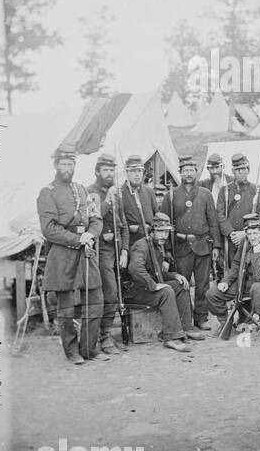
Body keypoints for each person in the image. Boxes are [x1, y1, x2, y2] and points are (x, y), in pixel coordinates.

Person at [37, 148, 103, 365]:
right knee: (65, 307)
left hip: (86, 253)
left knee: (95, 301)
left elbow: (96, 219)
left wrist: (89, 235)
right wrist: (77, 239)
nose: (67, 169)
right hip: (63, 254)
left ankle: (89, 348)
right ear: (56, 165)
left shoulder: (82, 190)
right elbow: (49, 229)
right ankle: (71, 350)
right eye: (63, 165)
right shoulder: (48, 192)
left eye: (70, 165)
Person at [123, 212, 206, 353]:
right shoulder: (142, 245)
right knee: (166, 292)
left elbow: (157, 273)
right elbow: (135, 268)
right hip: (136, 291)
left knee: (181, 285)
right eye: (160, 232)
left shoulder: (156, 246)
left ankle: (186, 328)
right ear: (152, 231)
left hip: (147, 288)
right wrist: (154, 285)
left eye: (166, 232)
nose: (163, 236)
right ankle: (171, 337)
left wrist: (176, 275)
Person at [208, 213, 260, 344]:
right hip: (244, 283)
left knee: (257, 287)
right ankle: (226, 324)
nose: (252, 237)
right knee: (213, 293)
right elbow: (236, 264)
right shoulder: (245, 243)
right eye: (249, 233)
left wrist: (257, 253)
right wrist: (225, 281)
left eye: (255, 233)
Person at [169, 154, 220, 331]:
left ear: (197, 172)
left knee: (203, 284)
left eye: (192, 170)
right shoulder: (172, 195)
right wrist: (169, 248)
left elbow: (213, 221)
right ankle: (185, 320)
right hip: (181, 247)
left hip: (203, 245)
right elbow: (167, 224)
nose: (189, 173)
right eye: (185, 170)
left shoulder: (205, 194)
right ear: (180, 173)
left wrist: (217, 246)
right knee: (182, 285)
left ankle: (201, 317)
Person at [86, 152, 122, 354]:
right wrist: (108, 199)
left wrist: (124, 249)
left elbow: (122, 222)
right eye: (105, 170)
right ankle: (104, 337)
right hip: (98, 251)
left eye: (111, 170)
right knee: (108, 293)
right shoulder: (91, 192)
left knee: (117, 292)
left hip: (115, 250)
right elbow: (95, 217)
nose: (109, 174)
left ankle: (110, 334)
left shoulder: (117, 192)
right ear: (97, 172)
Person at [217, 153, 260, 279]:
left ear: (248, 170)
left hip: (251, 239)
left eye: (243, 169)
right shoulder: (225, 191)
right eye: (237, 170)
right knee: (232, 274)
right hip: (231, 242)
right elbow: (220, 215)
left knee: (250, 274)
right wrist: (232, 233)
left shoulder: (257, 190)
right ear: (233, 171)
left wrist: (245, 233)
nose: (241, 173)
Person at [117, 155, 157, 249]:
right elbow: (119, 223)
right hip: (131, 243)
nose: (137, 174)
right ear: (127, 173)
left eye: (139, 171)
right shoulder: (120, 193)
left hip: (150, 241)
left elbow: (157, 215)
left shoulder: (149, 191)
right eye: (133, 171)